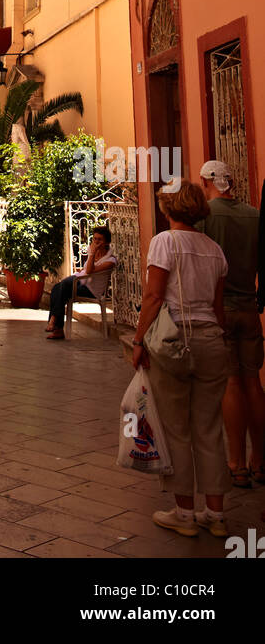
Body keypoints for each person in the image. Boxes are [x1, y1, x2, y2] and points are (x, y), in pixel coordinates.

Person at [132, 179, 232, 538]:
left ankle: (185, 513)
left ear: (168, 208)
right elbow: (218, 309)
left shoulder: (164, 243)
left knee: (176, 427)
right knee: (208, 428)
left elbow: (155, 296)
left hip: (175, 341)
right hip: (211, 342)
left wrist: (139, 339)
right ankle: (216, 514)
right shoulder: (214, 250)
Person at [198, 160, 265, 486]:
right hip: (250, 307)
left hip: (221, 310)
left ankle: (236, 463)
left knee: (232, 383)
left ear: (207, 182)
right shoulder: (254, 215)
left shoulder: (206, 218)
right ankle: (260, 461)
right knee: (254, 383)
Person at [46, 227, 117, 339]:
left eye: (99, 239)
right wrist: (92, 254)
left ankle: (54, 322)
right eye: (94, 239)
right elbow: (85, 270)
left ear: (107, 242)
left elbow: (89, 271)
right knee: (57, 288)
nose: (96, 242)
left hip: (92, 290)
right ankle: (57, 327)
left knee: (63, 285)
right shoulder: (93, 251)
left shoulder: (110, 260)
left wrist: (92, 254)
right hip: (81, 283)